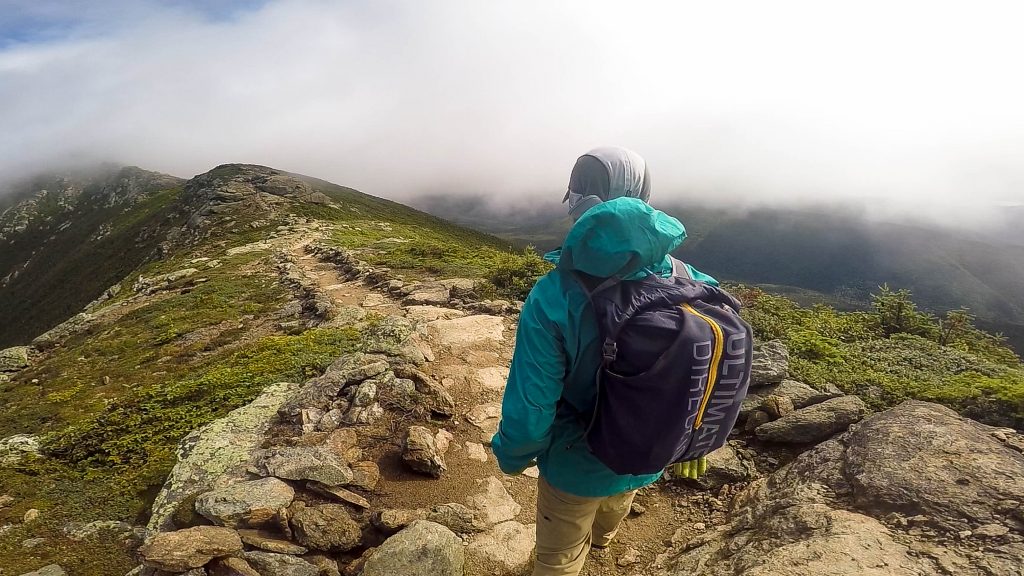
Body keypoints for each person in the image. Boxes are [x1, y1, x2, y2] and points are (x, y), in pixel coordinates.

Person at [491, 146, 719, 576]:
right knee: (616, 503)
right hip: (648, 450)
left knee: (558, 558)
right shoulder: (690, 278)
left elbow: (531, 407)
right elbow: (709, 362)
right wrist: (697, 437)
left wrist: (513, 455)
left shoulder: (554, 295)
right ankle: (604, 540)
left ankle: (585, 549)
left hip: (575, 461)